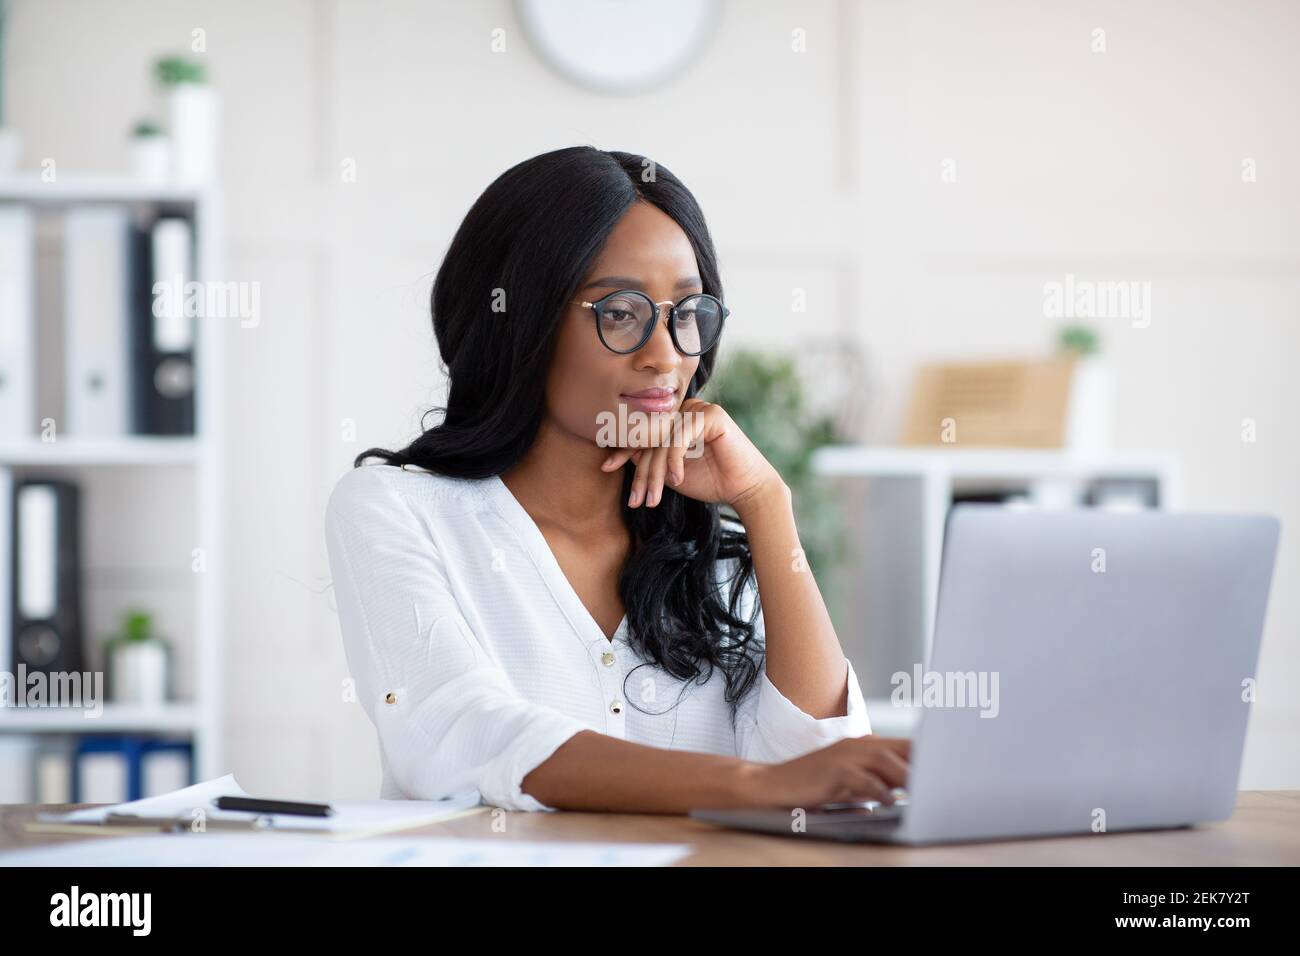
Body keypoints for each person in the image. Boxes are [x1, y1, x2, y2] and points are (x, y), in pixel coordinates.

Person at [324, 145, 910, 813]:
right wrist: (746, 785)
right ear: (521, 322)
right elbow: (459, 732)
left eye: (685, 313)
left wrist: (765, 501)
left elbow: (825, 774)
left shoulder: (710, 548)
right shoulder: (397, 510)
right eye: (620, 312)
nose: (665, 356)